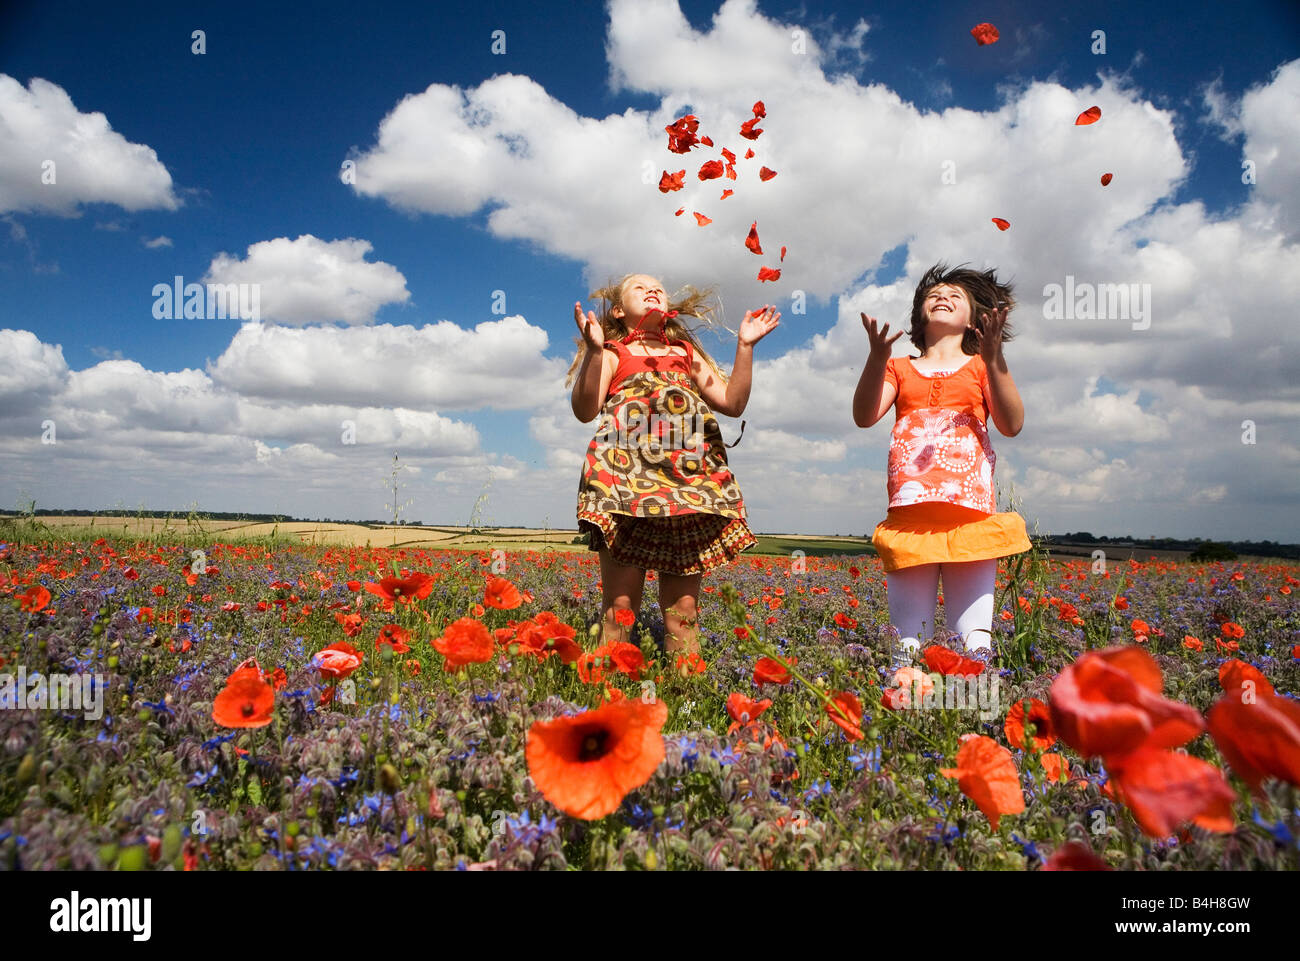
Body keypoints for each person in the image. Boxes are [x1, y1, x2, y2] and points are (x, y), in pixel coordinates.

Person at [568, 273, 779, 654]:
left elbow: (732, 402)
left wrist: (745, 347)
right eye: (640, 287)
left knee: (683, 611)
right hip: (623, 480)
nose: (653, 290)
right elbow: (585, 410)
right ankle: (605, 699)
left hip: (688, 481)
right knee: (620, 607)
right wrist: (596, 352)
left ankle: (684, 701)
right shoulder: (614, 351)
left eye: (659, 288)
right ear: (618, 310)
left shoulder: (685, 352)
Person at [852, 263, 1032, 668]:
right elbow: (864, 415)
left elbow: (1012, 424)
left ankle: (970, 721)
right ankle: (910, 719)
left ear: (973, 321)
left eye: (955, 296)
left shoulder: (983, 366)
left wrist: (996, 357)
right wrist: (877, 358)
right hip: (910, 522)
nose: (942, 298)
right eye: (933, 295)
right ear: (919, 316)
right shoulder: (898, 367)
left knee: (973, 646)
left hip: (970, 522)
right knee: (908, 648)